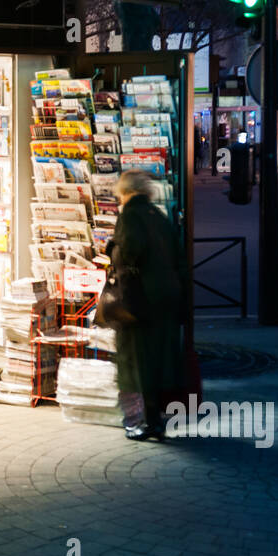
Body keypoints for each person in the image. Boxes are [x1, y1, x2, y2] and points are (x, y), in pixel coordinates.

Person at [105, 170, 184, 441]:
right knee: (156, 358)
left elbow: (128, 254)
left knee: (136, 360)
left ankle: (142, 422)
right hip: (166, 299)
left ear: (125, 192)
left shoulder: (130, 216)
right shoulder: (158, 216)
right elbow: (177, 255)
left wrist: (111, 248)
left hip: (140, 301)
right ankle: (155, 420)